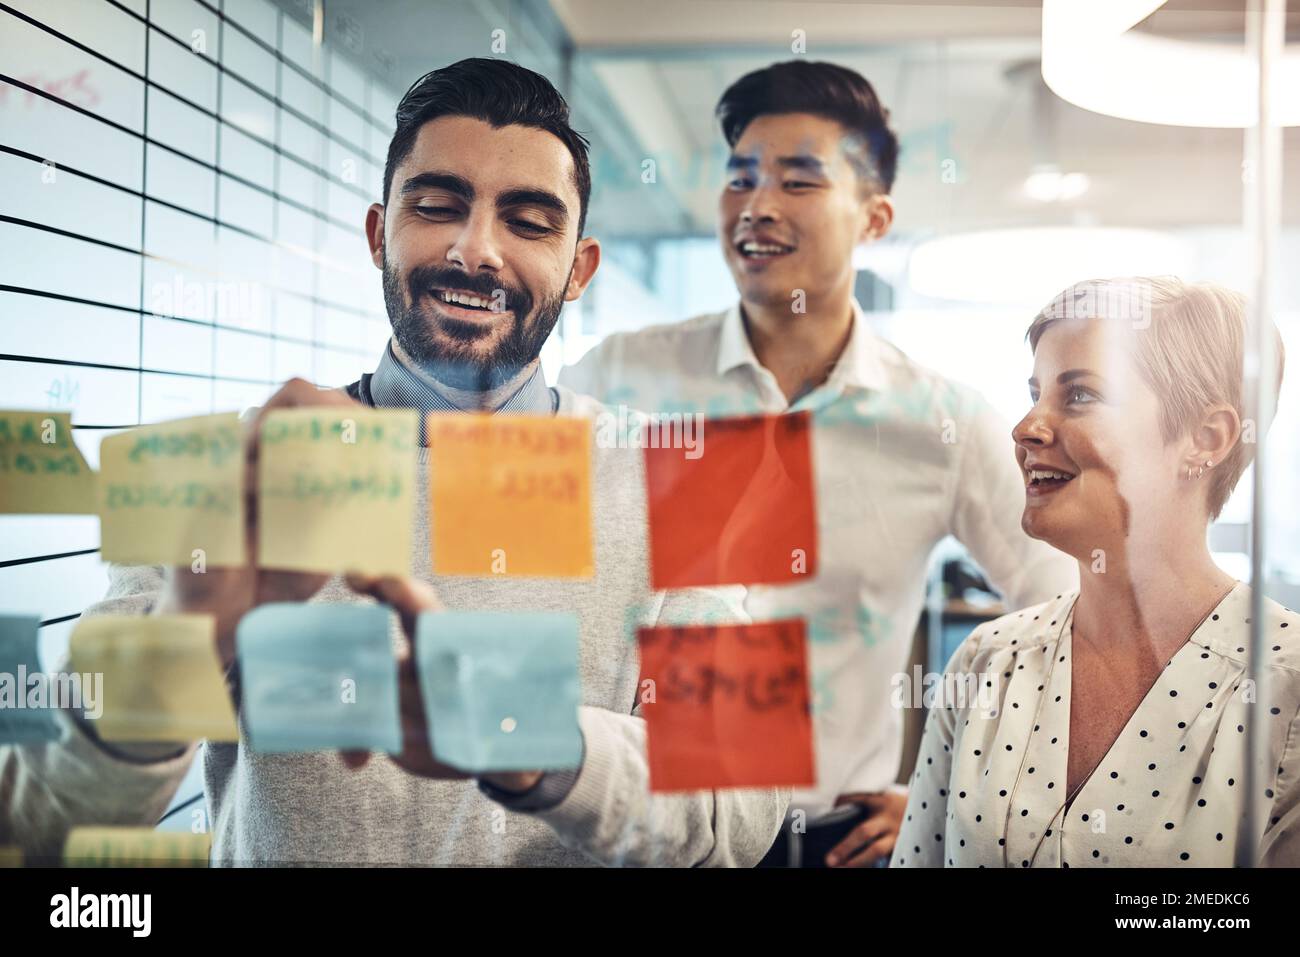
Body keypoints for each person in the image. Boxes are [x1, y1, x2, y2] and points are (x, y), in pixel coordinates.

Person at [0, 58, 786, 867]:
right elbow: (34, 827)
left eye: (528, 221)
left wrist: (531, 737)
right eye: (438, 206)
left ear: (578, 268)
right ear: (380, 233)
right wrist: (183, 644)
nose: (475, 250)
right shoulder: (231, 464)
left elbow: (746, 806)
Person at [560, 60, 1076, 867]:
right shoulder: (621, 378)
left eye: (799, 181)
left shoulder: (942, 420)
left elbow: (1067, 608)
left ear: (874, 218)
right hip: (647, 831)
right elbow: (510, 557)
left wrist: (951, 791)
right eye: (740, 178)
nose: (756, 205)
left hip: (839, 846)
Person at [891, 277, 1299, 867]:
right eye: (1035, 393)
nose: (1025, 427)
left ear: (1205, 438)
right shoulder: (988, 661)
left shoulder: (1285, 689)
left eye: (1079, 395)